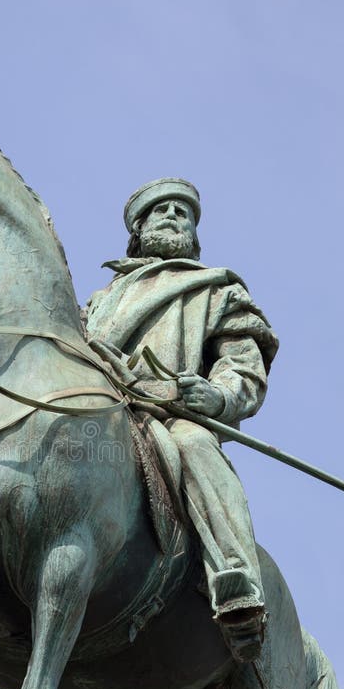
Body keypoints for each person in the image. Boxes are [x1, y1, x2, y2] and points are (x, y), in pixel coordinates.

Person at [84, 178, 278, 662]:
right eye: (160, 210)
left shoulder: (215, 289)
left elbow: (242, 367)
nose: (172, 215)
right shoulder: (97, 301)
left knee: (194, 446)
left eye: (183, 211)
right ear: (139, 228)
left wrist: (216, 397)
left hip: (171, 414)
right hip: (98, 412)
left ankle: (236, 583)